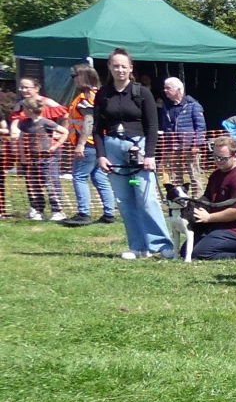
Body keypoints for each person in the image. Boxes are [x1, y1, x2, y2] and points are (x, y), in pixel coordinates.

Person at [93, 49, 174, 259]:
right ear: (110, 67)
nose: (120, 69)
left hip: (138, 147)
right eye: (116, 65)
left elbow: (152, 125)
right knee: (124, 200)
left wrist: (150, 155)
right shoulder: (103, 93)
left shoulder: (141, 92)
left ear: (130, 68)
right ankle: (138, 247)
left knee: (146, 199)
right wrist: (101, 155)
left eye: (124, 66)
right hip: (112, 148)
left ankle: (162, 245)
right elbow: (97, 128)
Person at [185, 136, 236, 260]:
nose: (218, 161)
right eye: (215, 156)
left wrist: (209, 218)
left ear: (235, 155)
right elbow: (208, 198)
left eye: (223, 158)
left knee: (199, 253)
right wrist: (194, 206)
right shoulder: (216, 174)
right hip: (218, 226)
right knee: (186, 251)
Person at [61, 64, 117, 226]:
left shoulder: (87, 96)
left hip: (89, 144)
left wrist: (80, 144)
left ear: (84, 77)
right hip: (97, 144)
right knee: (99, 178)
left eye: (75, 76)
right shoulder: (95, 94)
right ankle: (109, 213)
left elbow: (89, 121)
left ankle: (83, 213)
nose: (73, 80)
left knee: (79, 177)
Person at [8, 76, 70, 220]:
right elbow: (17, 123)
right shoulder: (20, 104)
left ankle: (57, 210)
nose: (23, 90)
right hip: (28, 149)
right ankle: (36, 209)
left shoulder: (46, 102)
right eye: (21, 87)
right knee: (32, 180)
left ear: (36, 88)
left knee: (50, 180)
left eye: (27, 87)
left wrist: (55, 136)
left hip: (47, 149)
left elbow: (65, 115)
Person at [157, 77, 207, 198]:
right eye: (165, 88)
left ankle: (197, 200)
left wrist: (196, 145)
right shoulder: (166, 107)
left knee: (194, 175)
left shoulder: (193, 106)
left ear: (178, 89)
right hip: (173, 148)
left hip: (190, 148)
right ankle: (180, 199)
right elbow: (165, 126)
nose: (165, 90)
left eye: (168, 88)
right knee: (176, 176)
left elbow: (200, 127)